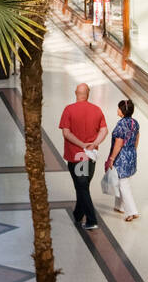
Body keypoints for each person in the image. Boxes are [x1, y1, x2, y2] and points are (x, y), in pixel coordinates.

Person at [59, 83, 108, 232]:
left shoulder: (69, 110)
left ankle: (91, 219)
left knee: (82, 187)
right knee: (82, 186)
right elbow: (104, 130)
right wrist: (94, 143)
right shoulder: (97, 110)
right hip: (90, 156)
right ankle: (78, 214)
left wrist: (82, 144)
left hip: (78, 157)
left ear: (76, 93)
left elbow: (66, 133)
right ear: (88, 94)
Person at [105, 98, 140, 222]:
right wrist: (132, 151)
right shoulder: (134, 123)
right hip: (131, 154)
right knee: (120, 180)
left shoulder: (121, 124)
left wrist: (112, 158)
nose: (117, 110)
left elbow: (118, 143)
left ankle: (132, 212)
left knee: (123, 184)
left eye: (118, 108)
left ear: (122, 111)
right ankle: (118, 206)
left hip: (122, 157)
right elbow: (137, 138)